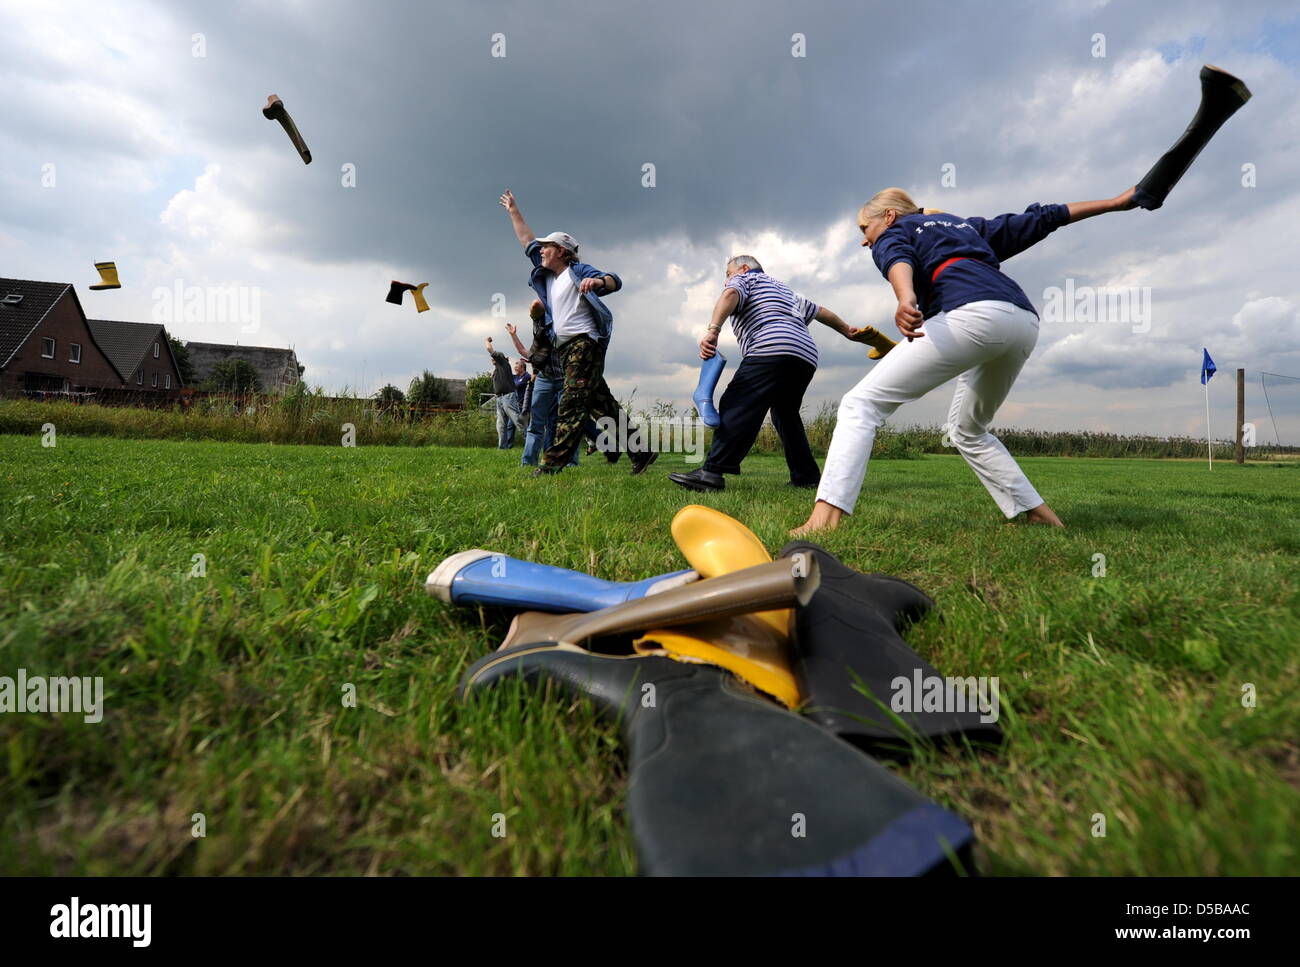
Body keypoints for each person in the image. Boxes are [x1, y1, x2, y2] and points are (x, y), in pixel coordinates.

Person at [793, 185, 1140, 535]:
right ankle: (1040, 515)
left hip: (971, 316)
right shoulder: (965, 226)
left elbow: (896, 257)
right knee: (968, 430)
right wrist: (1115, 202)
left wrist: (906, 298)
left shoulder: (895, 230)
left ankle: (824, 521)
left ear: (888, 215)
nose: (864, 240)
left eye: (863, 230)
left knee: (860, 404)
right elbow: (1044, 218)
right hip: (1022, 321)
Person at [670, 256, 874, 493]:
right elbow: (820, 311)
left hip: (771, 348)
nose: (726, 279)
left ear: (744, 268)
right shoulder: (785, 290)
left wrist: (713, 331)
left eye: (728, 273)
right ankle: (806, 476)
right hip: (805, 356)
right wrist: (847, 330)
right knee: (785, 414)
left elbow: (729, 295)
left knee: (738, 405)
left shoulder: (745, 280)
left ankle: (712, 473)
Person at [498, 189, 657, 476]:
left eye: (547, 246)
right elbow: (526, 240)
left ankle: (551, 465)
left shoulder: (577, 270)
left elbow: (614, 280)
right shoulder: (548, 276)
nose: (542, 249)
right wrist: (513, 211)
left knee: (570, 403)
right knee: (604, 406)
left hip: (585, 344)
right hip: (565, 348)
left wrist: (597, 283)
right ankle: (642, 453)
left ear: (562, 251)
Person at [485, 336, 526, 448]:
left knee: (518, 421)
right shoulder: (498, 369)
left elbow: (489, 349)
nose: (492, 358)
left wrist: (486, 341)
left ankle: (531, 443)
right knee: (501, 425)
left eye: (494, 357)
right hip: (499, 398)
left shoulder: (503, 363)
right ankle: (502, 447)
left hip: (508, 397)